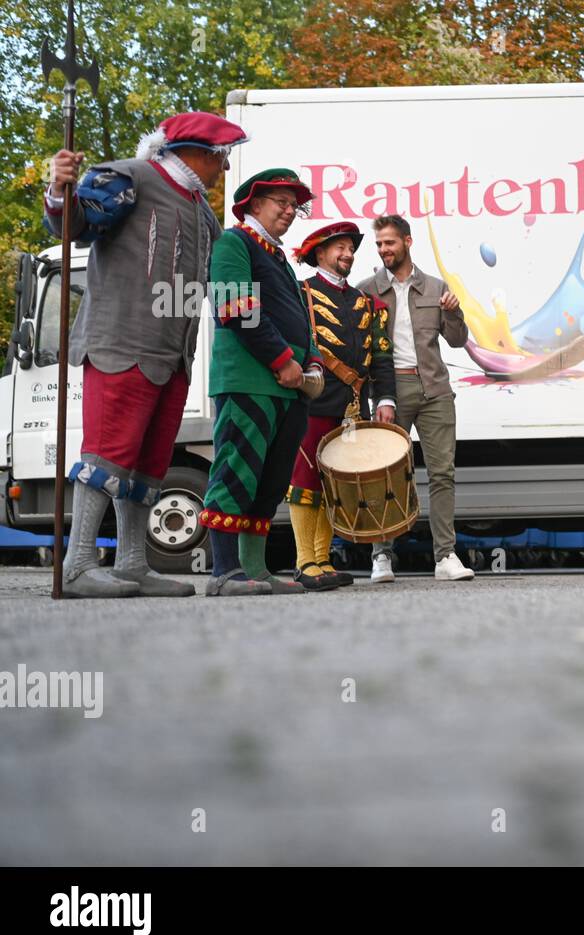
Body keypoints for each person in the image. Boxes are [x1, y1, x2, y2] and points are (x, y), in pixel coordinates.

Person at [42, 111, 248, 598]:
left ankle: (133, 563)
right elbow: (76, 226)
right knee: (108, 454)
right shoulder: (128, 178)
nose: (223, 167)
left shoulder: (203, 211)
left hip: (174, 353)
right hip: (122, 342)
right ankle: (76, 564)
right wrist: (59, 189)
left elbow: (218, 284)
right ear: (198, 152)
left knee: (149, 464)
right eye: (222, 157)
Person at [199, 169, 325, 596]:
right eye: (281, 203)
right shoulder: (233, 243)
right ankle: (225, 572)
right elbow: (236, 308)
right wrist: (283, 360)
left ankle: (255, 568)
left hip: (289, 386)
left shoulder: (277, 255)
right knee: (236, 470)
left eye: (294, 205)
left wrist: (312, 361)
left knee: (270, 481)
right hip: (250, 380)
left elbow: (299, 319)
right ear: (254, 205)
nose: (290, 212)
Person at [356, 214, 474, 583]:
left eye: (389, 242)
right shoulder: (367, 290)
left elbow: (456, 340)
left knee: (443, 475)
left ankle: (445, 557)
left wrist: (454, 313)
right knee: (384, 476)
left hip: (435, 389)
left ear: (407, 242)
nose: (383, 250)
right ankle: (381, 556)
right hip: (392, 390)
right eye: (379, 244)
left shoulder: (436, 287)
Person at [286, 222, 396, 590]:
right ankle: (305, 562)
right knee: (305, 482)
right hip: (311, 400)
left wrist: (385, 398)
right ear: (320, 253)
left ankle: (324, 560)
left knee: (335, 484)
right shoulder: (300, 295)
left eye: (351, 248)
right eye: (340, 248)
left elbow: (381, 359)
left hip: (352, 407)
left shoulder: (370, 305)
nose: (347, 254)